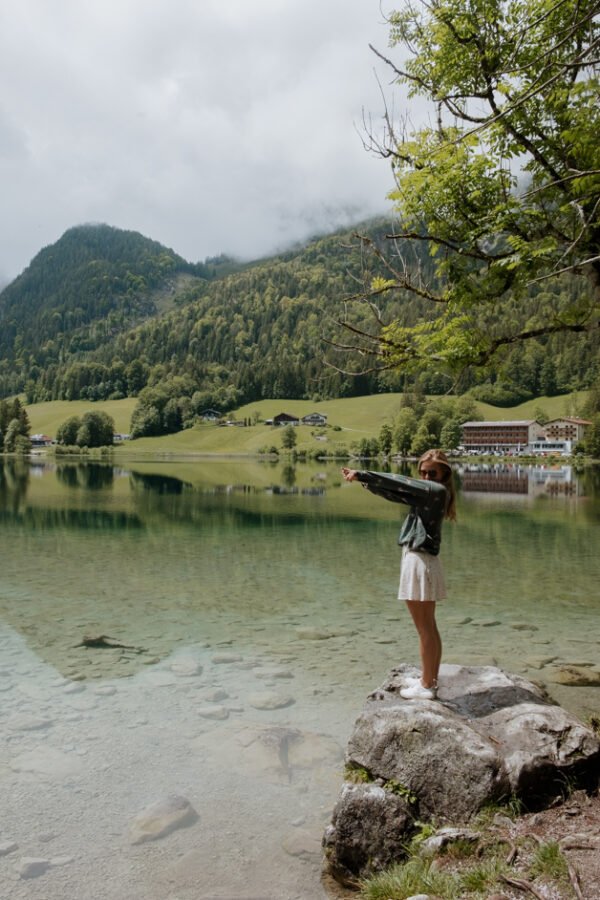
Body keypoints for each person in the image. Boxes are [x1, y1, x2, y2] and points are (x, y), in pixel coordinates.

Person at [341, 449, 456, 700]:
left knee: (425, 629)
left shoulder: (436, 490)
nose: (426, 476)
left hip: (420, 561)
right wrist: (364, 482)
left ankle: (427, 686)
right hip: (421, 560)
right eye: (423, 472)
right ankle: (429, 680)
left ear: (444, 474)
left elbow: (399, 482)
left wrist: (363, 474)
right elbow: (395, 493)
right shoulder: (431, 492)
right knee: (428, 627)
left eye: (432, 472)